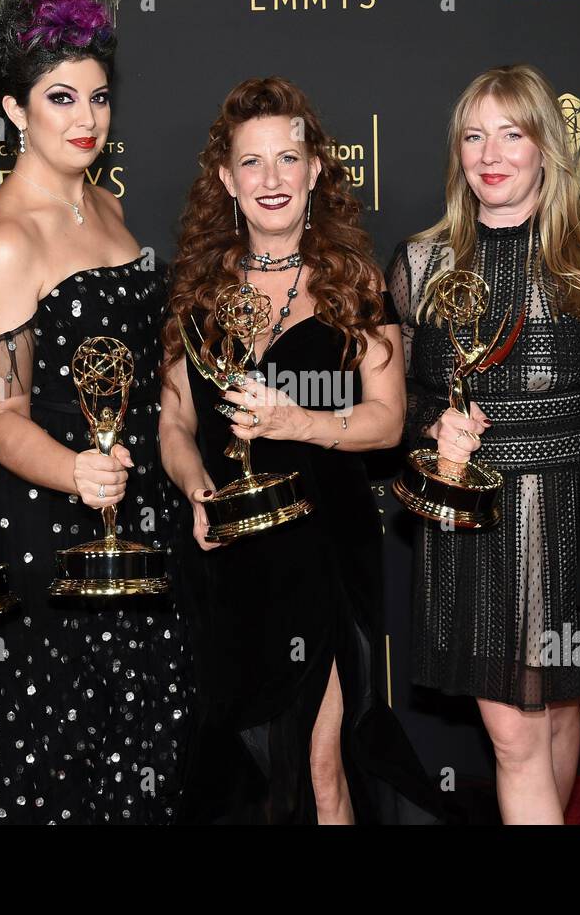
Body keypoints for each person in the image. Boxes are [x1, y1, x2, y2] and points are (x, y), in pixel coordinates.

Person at [160, 76, 439, 824]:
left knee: (321, 762)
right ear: (226, 178)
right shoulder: (199, 288)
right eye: (253, 163)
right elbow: (175, 422)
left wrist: (296, 421)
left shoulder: (354, 281)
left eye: (288, 158)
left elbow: (386, 423)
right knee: (247, 768)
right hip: (227, 553)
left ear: (317, 167)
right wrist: (195, 489)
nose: (272, 179)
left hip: (324, 548)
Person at [0, 0, 191, 824]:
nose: (86, 118)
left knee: (145, 750)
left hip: (137, 508)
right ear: (16, 109)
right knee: (67, 764)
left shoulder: (106, 204)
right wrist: (75, 471)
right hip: (51, 529)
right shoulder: (3, 242)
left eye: (97, 96)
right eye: (61, 98)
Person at [391, 65, 580, 824]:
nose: (490, 153)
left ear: (546, 148)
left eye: (511, 133)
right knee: (513, 736)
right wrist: (435, 428)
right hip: (478, 526)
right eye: (473, 135)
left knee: (560, 717)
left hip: (574, 520)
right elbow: (395, 405)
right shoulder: (420, 265)